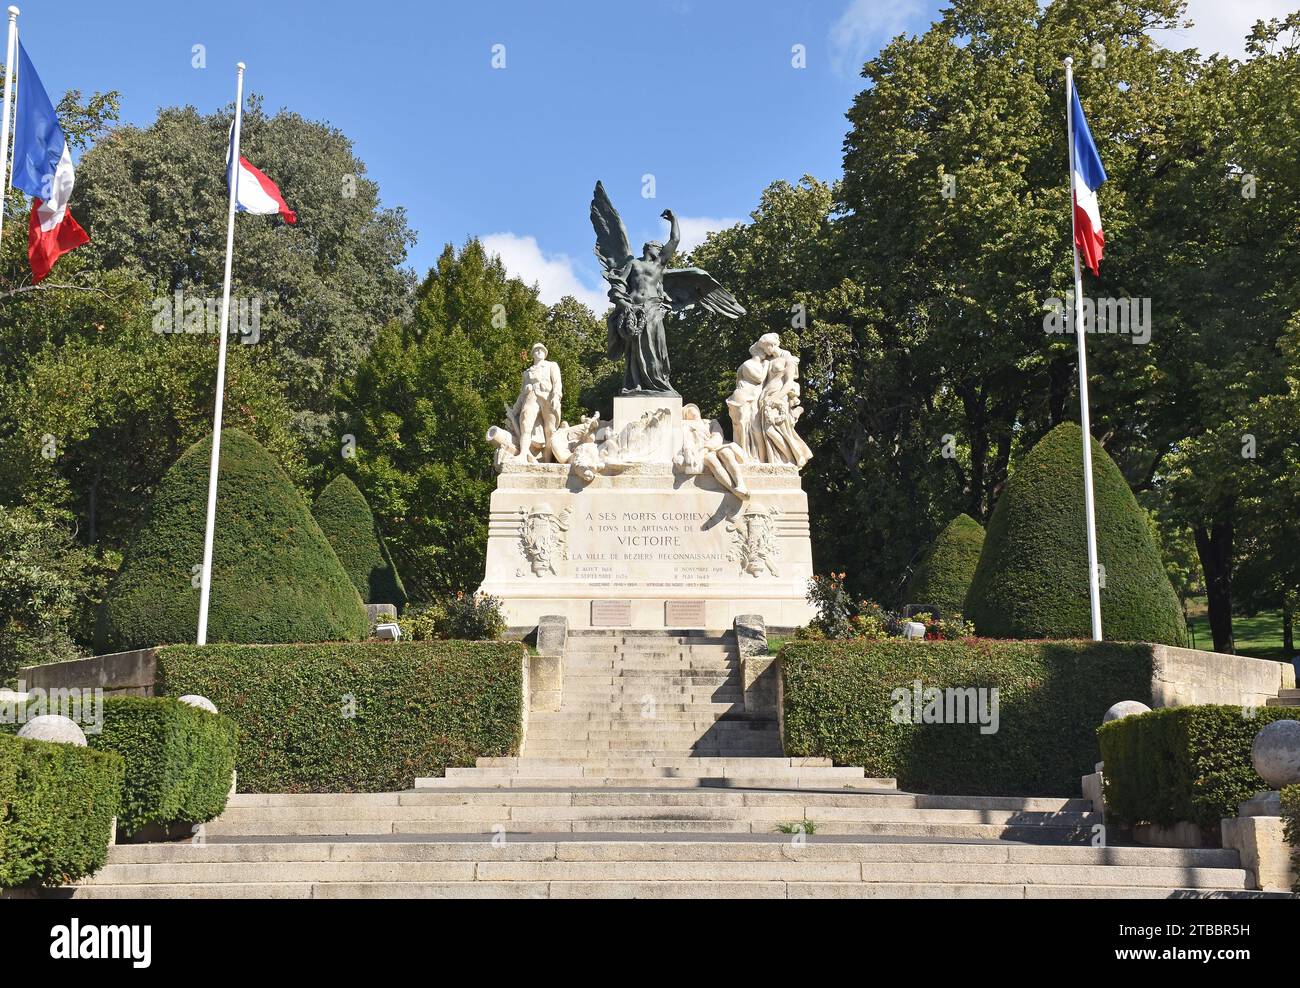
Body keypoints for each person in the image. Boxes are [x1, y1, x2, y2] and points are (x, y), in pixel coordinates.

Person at [510, 343, 563, 462]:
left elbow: (557, 383)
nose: (539, 351)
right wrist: (515, 409)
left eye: (541, 350)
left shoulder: (551, 365)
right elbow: (521, 394)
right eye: (536, 350)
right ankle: (523, 454)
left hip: (548, 398)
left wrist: (556, 397)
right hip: (531, 398)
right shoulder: (527, 372)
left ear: (545, 353)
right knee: (525, 425)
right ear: (532, 354)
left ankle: (547, 459)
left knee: (550, 430)